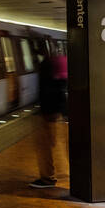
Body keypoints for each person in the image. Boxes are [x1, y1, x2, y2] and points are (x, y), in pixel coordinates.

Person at [30, 53, 68, 189]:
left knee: (45, 146)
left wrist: (46, 112)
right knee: (59, 144)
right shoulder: (62, 60)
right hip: (61, 111)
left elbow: (48, 90)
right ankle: (62, 173)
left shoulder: (48, 63)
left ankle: (48, 178)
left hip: (50, 112)